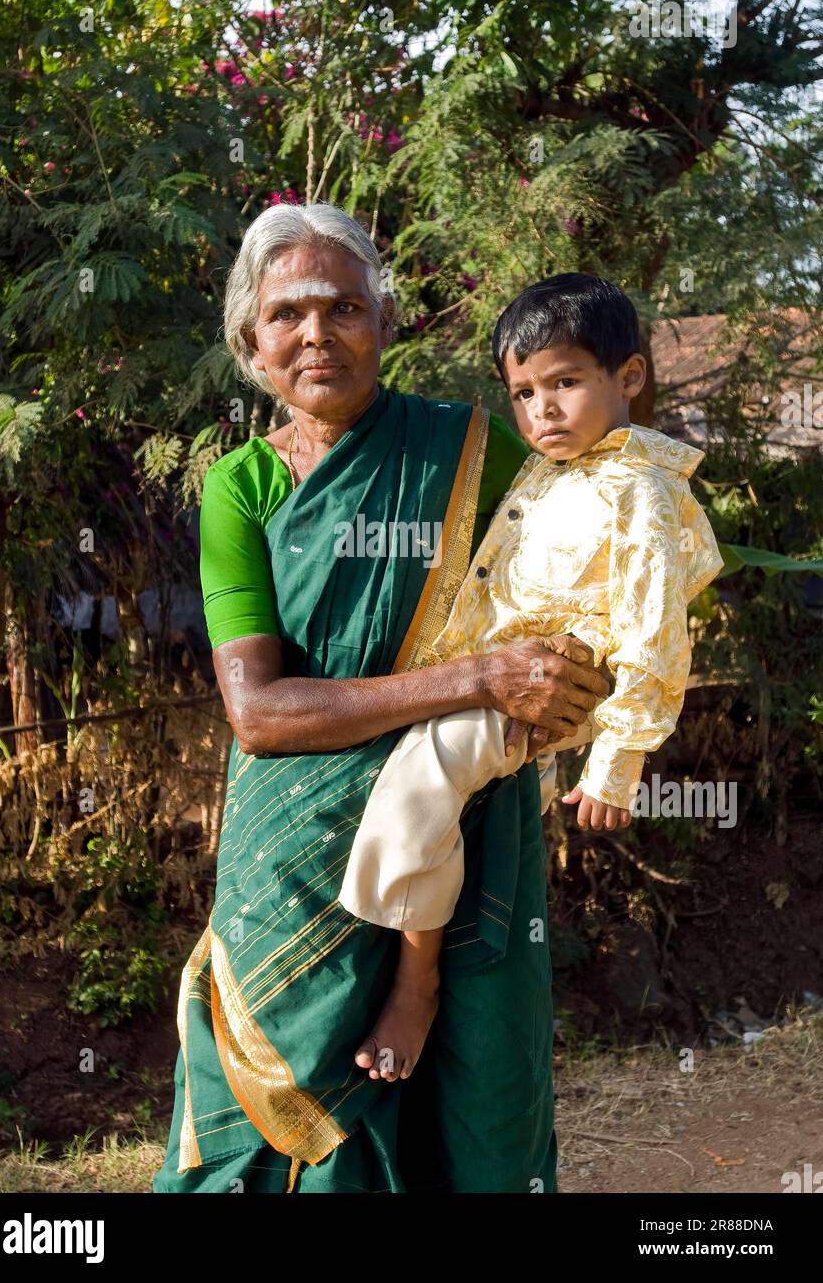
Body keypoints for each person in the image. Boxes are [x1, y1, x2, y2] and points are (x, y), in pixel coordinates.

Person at [152, 206, 609, 1194]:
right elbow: (261, 714)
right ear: (252, 341)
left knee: (472, 1097)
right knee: (281, 1107)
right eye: (288, 314)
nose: (317, 334)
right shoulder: (242, 488)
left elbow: (588, 583)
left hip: (462, 828)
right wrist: (475, 677)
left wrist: (579, 680)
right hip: (294, 859)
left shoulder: (477, 459)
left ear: (386, 323)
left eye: (345, 307)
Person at [338, 273, 723, 1084]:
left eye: (565, 382)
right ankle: (410, 939)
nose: (542, 408)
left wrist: (618, 764)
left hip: (561, 681)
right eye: (522, 391)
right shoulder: (549, 473)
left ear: (629, 378)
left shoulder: (640, 490)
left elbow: (656, 633)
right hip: (496, 677)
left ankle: (395, 968)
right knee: (429, 784)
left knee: (420, 774)